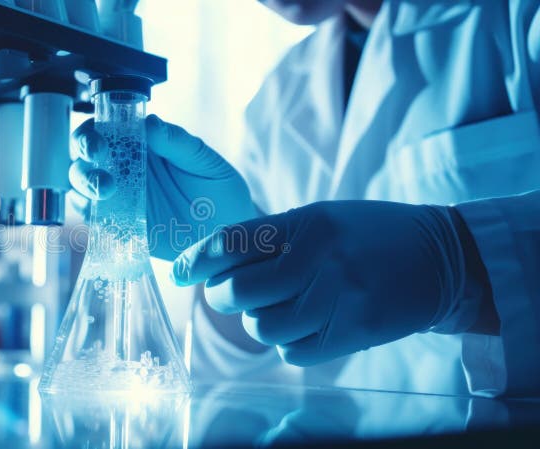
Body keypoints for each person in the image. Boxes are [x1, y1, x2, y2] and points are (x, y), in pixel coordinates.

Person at [70, 0, 540, 397]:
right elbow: (232, 379)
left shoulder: (515, 18)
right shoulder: (278, 97)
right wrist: (232, 254)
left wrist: (461, 262)